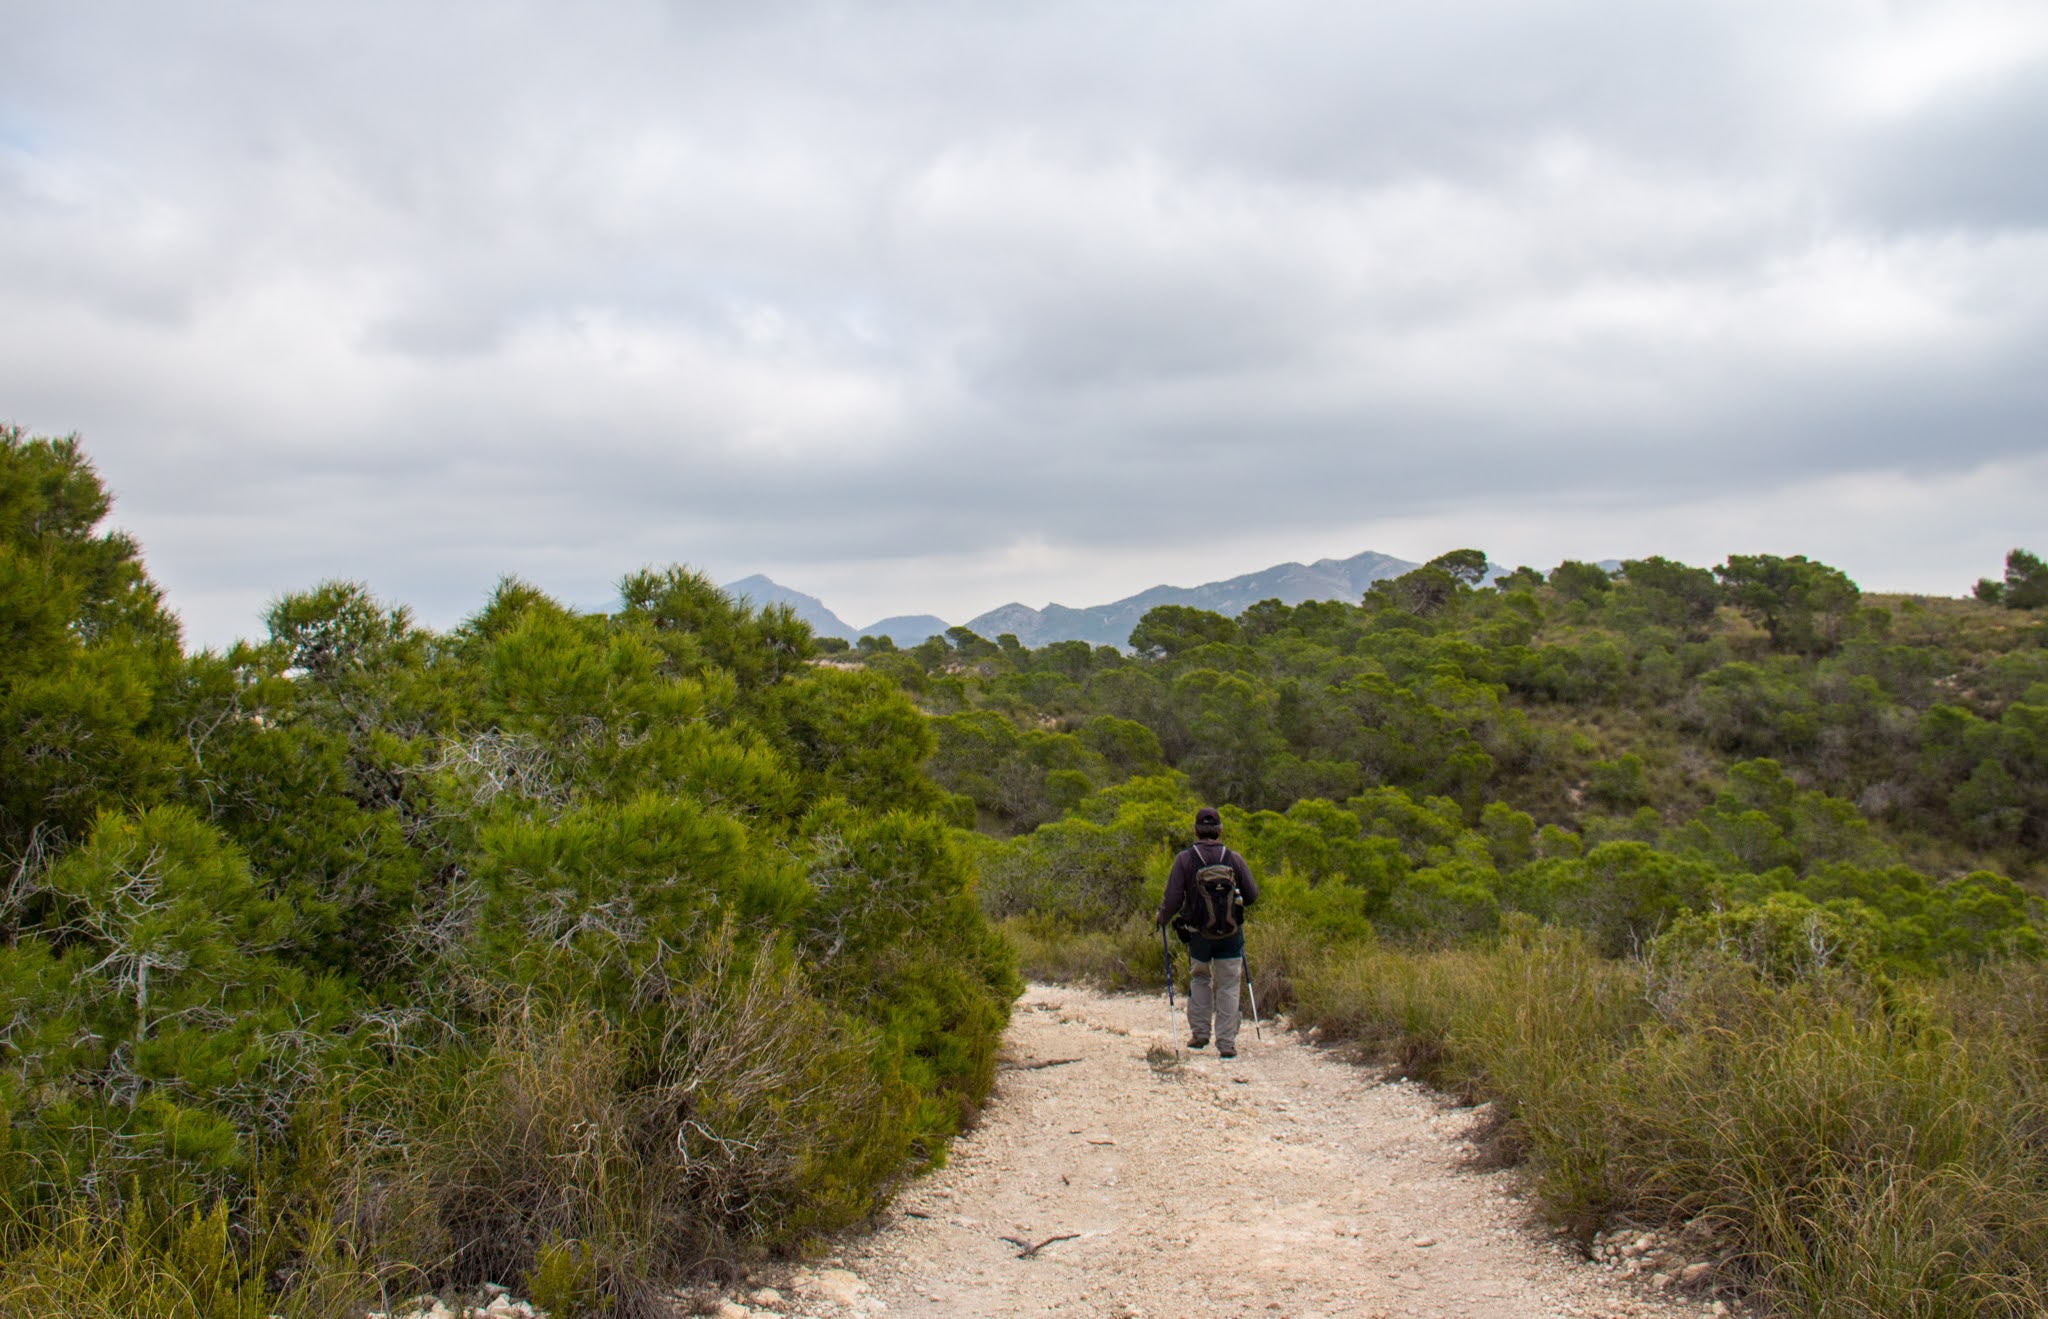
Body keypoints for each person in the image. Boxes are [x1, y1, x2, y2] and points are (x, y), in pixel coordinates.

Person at [1155, 806, 1259, 1057]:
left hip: (1199, 932)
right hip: (1230, 934)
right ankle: (1226, 1042)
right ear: (1220, 830)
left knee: (1200, 977)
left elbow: (1173, 898)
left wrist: (1162, 918)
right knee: (1228, 984)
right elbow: (1252, 895)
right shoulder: (1233, 858)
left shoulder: (1185, 859)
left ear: (1196, 830)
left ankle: (1200, 1033)